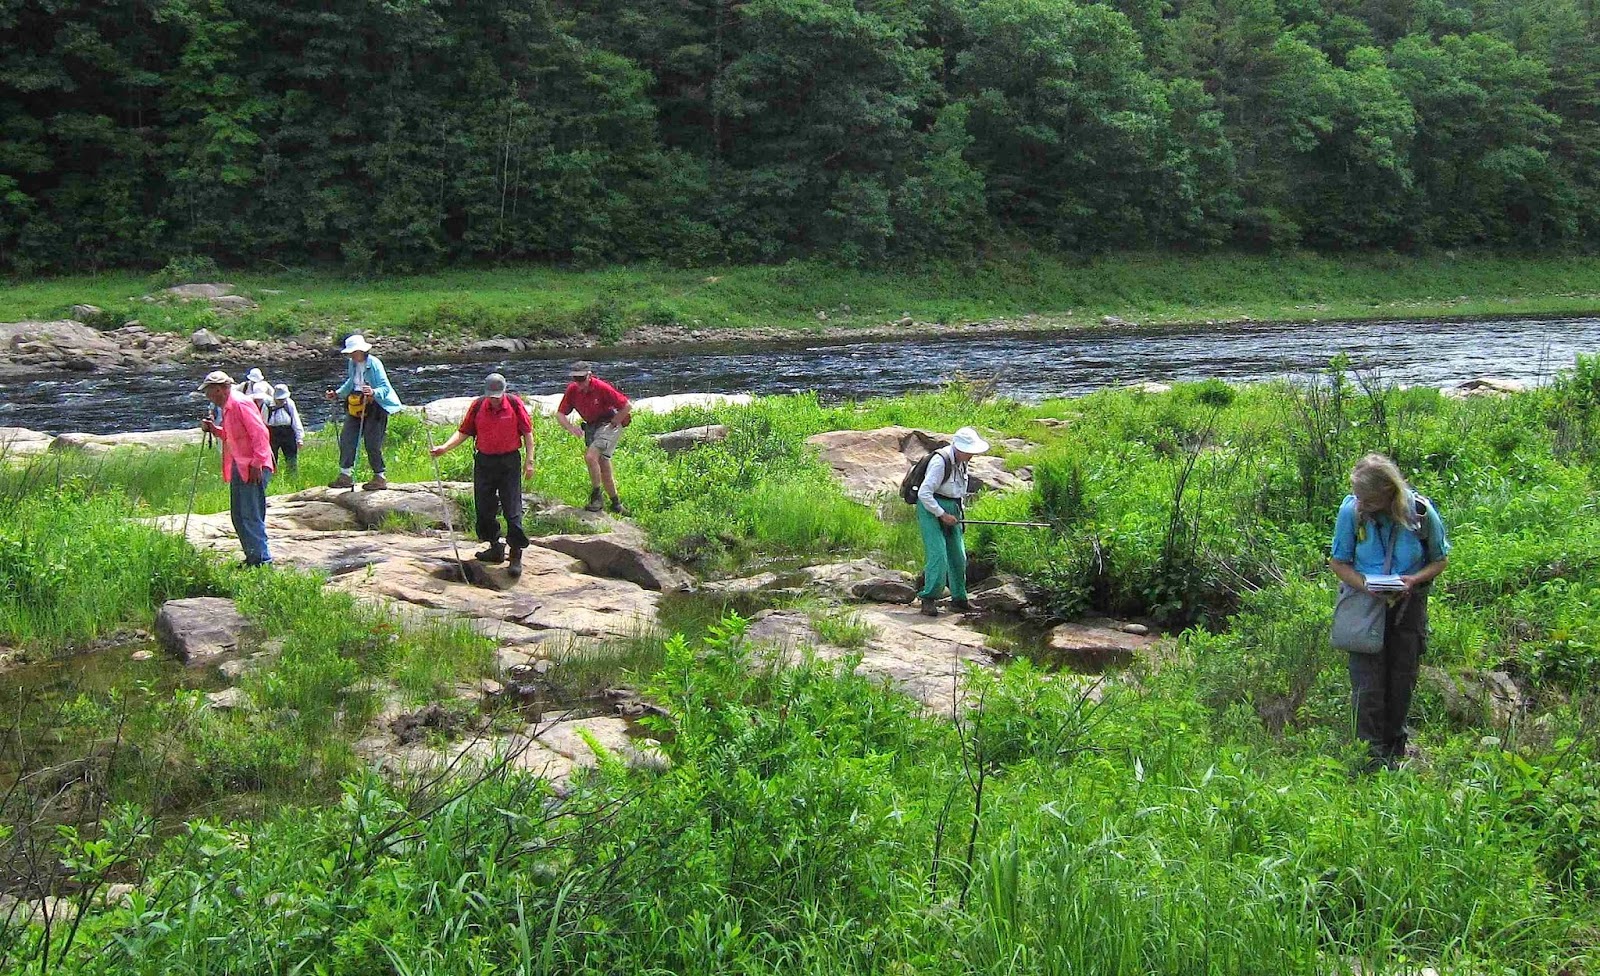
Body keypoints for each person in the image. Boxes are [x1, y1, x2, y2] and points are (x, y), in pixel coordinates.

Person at [1328, 453, 1450, 770]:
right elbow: (1338, 562)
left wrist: (1414, 580)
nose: (1362, 504)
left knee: (1401, 680)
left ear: (1388, 491)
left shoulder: (1420, 513)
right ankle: (1368, 757)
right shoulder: (1351, 512)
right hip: (1366, 606)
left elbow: (1439, 560)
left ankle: (1394, 753)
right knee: (1366, 686)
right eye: (1358, 497)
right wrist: (1365, 585)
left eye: (1368, 499)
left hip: (1408, 607)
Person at [429, 373, 537, 577]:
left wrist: (529, 462)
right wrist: (445, 448)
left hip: (509, 462)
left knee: (512, 508)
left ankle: (515, 554)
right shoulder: (478, 405)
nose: (494, 400)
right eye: (491, 396)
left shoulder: (514, 404)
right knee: (484, 507)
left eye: (497, 396)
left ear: (504, 392)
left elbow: (527, 433)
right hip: (485, 462)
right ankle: (495, 547)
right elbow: (464, 431)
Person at [199, 370, 275, 567]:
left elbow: (260, 434)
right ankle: (252, 558)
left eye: (208, 391)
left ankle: (262, 561)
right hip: (239, 465)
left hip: (253, 466)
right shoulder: (228, 407)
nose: (208, 396)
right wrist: (214, 430)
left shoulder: (240, 404)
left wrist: (257, 464)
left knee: (250, 514)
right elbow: (232, 435)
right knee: (239, 515)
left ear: (219, 389)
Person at [913, 427, 989, 616]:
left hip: (952, 507)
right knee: (938, 555)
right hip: (930, 508)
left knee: (958, 556)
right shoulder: (940, 462)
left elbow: (959, 491)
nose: (971, 455)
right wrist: (941, 514)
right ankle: (928, 598)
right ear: (958, 448)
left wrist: (959, 514)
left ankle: (959, 599)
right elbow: (924, 493)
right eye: (969, 451)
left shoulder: (963, 462)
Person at [325, 334, 402, 490]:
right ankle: (345, 475)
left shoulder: (374, 364)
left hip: (375, 406)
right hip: (356, 403)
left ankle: (379, 477)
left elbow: (385, 388)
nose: (352, 355)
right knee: (347, 438)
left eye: (354, 352)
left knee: (372, 442)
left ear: (362, 351)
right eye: (350, 353)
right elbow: (351, 382)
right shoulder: (352, 364)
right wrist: (338, 394)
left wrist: (373, 392)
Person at [554, 361, 631, 513]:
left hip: (608, 424)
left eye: (582, 378)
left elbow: (627, 405)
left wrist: (615, 421)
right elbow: (560, 414)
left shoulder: (602, 387)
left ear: (589, 376)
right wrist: (571, 428)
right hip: (591, 426)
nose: (579, 382)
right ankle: (616, 503)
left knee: (590, 457)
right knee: (603, 464)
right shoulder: (572, 390)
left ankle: (596, 497)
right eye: (576, 379)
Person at [265, 383, 304, 473]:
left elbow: (295, 420)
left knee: (291, 457)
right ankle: (272, 475)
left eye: (283, 399)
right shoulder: (267, 404)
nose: (282, 401)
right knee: (271, 458)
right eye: (279, 399)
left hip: (288, 432)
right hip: (272, 433)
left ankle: (292, 476)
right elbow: (263, 421)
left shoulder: (289, 403)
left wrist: (299, 438)